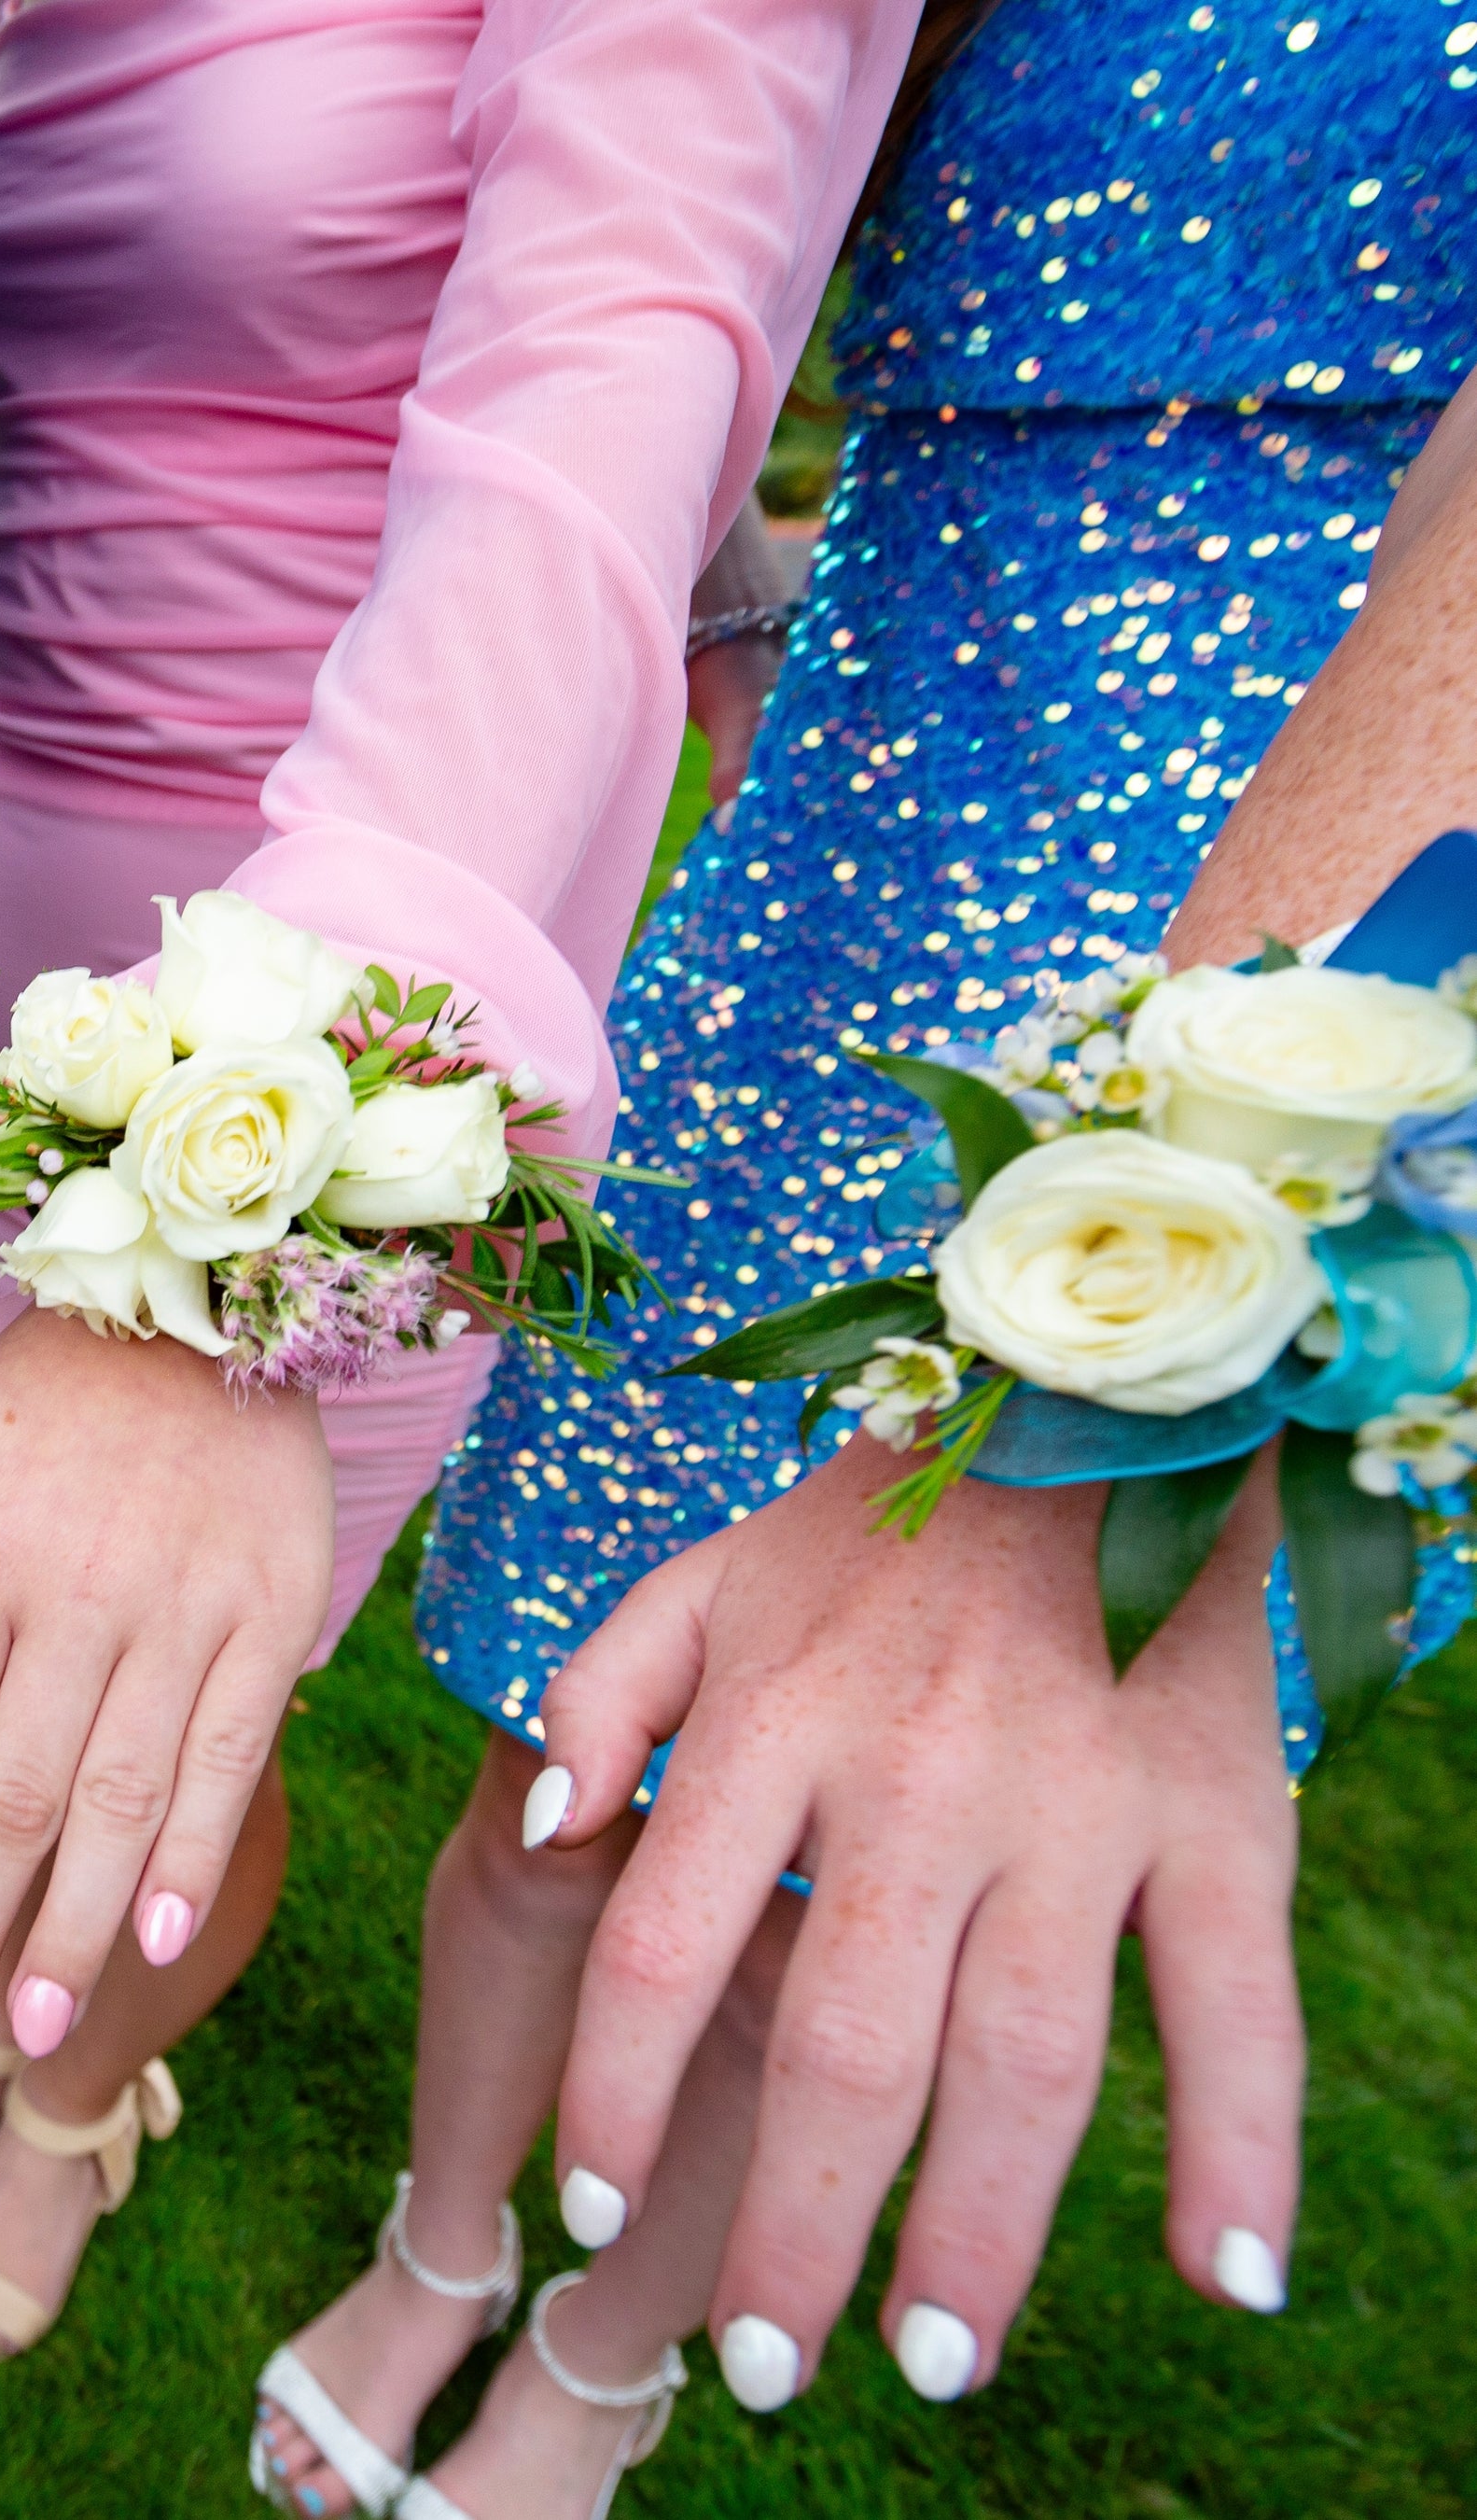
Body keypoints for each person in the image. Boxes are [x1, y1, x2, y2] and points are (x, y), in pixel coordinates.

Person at [259, 4, 1477, 2510]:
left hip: (1282, 952)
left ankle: (603, 2355)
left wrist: (1208, 1190)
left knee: (848, 1852)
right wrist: (737, 598)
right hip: (824, 931)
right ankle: (445, 2240)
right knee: (556, 1743)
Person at [0, 0, 913, 2399]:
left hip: (367, 954)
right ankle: (4, 2026)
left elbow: (604, 382)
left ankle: (78, 2095)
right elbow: (9, 449)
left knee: (205, 1679)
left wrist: (278, 1163)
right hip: (2, 914)